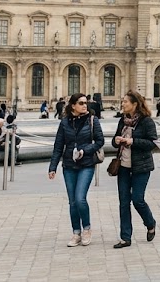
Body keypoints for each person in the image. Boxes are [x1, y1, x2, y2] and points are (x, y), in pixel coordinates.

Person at [48, 93, 105, 247]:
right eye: (81, 103)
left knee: (80, 198)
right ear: (73, 105)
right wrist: (52, 167)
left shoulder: (93, 120)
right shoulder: (65, 122)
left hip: (86, 164)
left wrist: (85, 151)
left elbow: (100, 141)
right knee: (72, 202)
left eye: (85, 103)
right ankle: (76, 233)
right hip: (69, 165)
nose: (85, 105)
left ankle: (86, 229)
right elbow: (58, 146)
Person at [111, 90, 158, 249]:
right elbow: (114, 141)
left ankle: (150, 223)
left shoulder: (146, 122)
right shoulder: (122, 121)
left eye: (125, 102)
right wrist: (117, 140)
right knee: (124, 202)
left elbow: (152, 143)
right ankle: (125, 237)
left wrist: (133, 141)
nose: (122, 104)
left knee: (137, 199)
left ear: (135, 104)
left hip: (141, 167)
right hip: (123, 167)